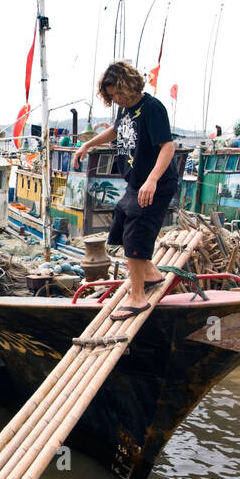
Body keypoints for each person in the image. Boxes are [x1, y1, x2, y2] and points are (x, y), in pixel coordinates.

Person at [74, 61, 177, 320]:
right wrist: (87, 146)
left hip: (156, 182)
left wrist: (152, 180)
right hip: (136, 181)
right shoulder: (125, 109)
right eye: (111, 96)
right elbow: (115, 131)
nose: (116, 99)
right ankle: (151, 273)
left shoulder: (152, 108)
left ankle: (138, 296)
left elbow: (168, 147)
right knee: (120, 225)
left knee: (136, 233)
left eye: (119, 94)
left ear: (130, 86)